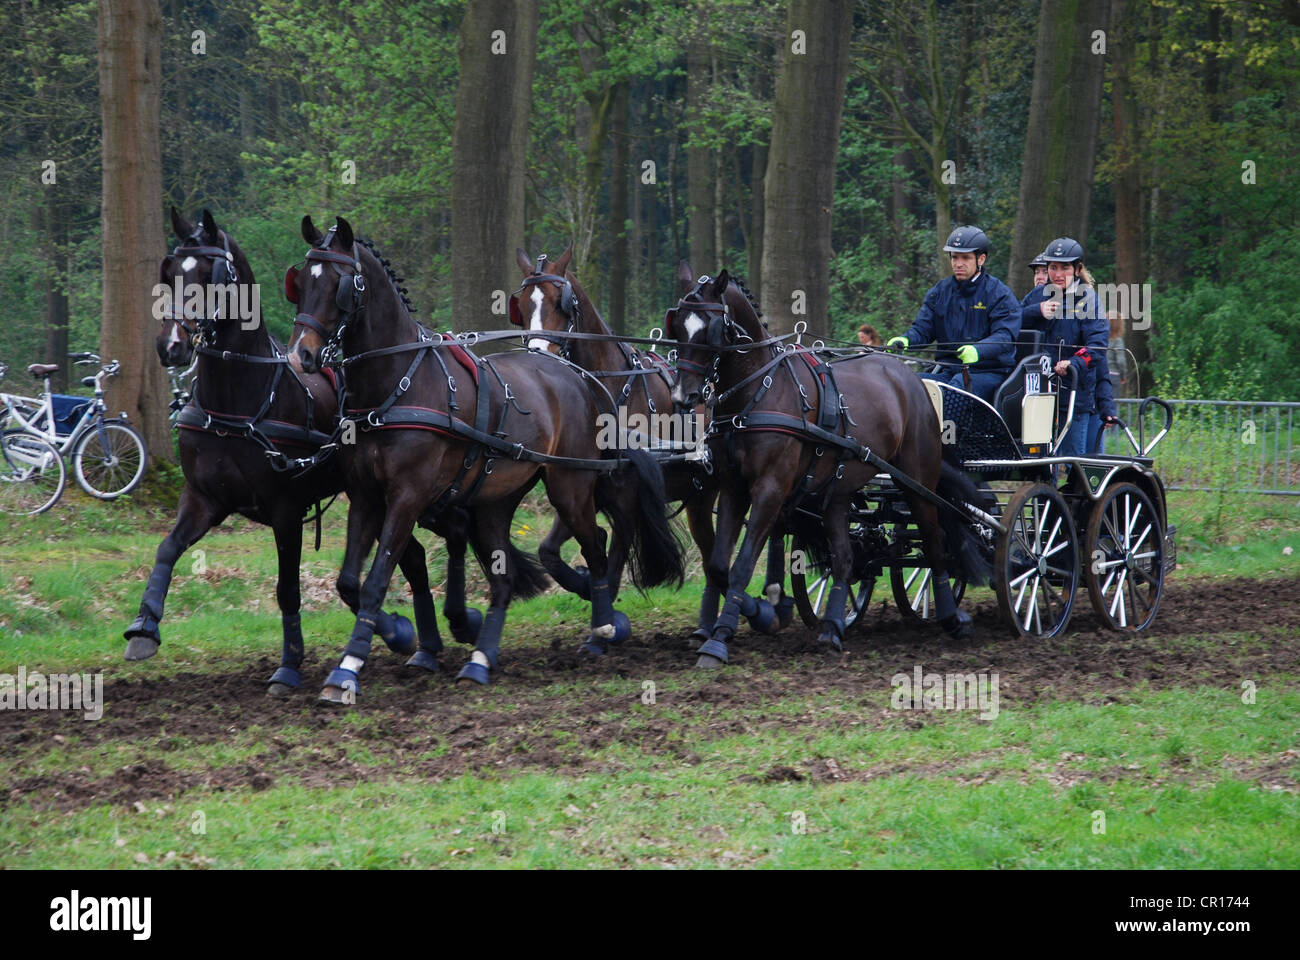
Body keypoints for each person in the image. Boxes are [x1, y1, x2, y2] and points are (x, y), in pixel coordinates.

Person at [886, 225, 1021, 404]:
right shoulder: (939, 292)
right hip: (948, 370)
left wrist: (978, 350)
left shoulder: (1000, 294)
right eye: (954, 257)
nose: (958, 263)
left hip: (990, 373)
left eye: (965, 258)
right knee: (912, 385)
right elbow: (923, 330)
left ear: (981, 259)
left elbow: (1004, 336)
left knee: (955, 389)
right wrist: (905, 341)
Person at [1039, 237, 1111, 458]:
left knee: (1074, 463)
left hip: (1074, 396)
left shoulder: (1088, 300)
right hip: (1040, 394)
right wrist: (1036, 311)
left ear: (1078, 269)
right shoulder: (1039, 295)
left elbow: (1097, 347)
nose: (1058, 274)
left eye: (1065, 268)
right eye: (1053, 267)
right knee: (1042, 463)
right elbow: (1013, 321)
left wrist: (1074, 363)